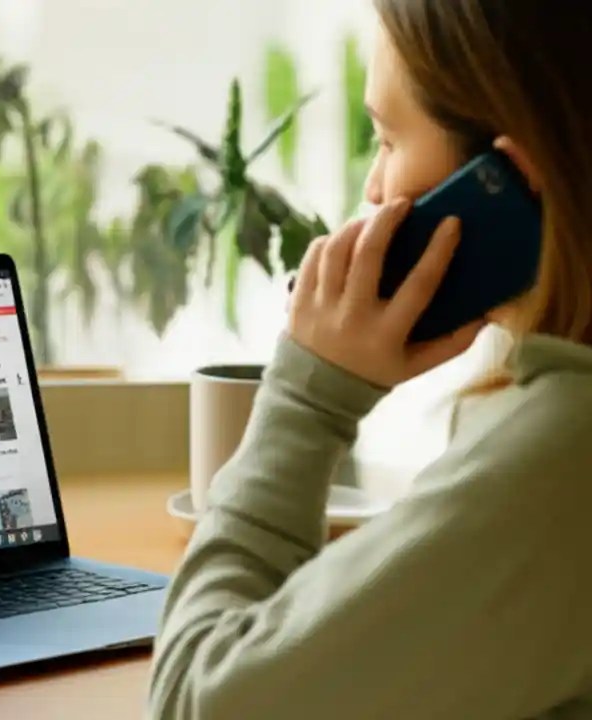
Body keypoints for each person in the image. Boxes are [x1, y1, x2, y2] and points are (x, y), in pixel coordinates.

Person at [149, 3, 592, 718]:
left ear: (504, 180)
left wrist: (307, 400)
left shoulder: (564, 458)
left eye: (388, 140)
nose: (375, 192)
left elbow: (194, 702)